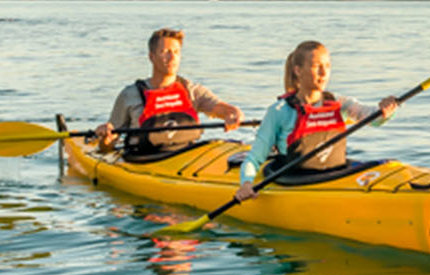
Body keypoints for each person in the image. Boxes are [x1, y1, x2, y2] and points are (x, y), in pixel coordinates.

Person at [234, 40, 398, 201]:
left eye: (327, 66)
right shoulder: (280, 111)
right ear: (298, 70)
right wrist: (246, 184)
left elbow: (373, 119)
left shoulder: (339, 103)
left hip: (335, 176)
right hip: (296, 183)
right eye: (316, 66)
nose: (324, 73)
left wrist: (385, 111)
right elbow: (254, 158)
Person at [95, 28, 244, 156]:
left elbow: (222, 109)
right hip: (143, 160)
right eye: (165, 52)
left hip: (185, 158)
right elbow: (107, 147)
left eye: (176, 52)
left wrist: (234, 113)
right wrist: (105, 138)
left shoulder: (192, 91)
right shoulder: (130, 95)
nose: (172, 57)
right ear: (151, 57)